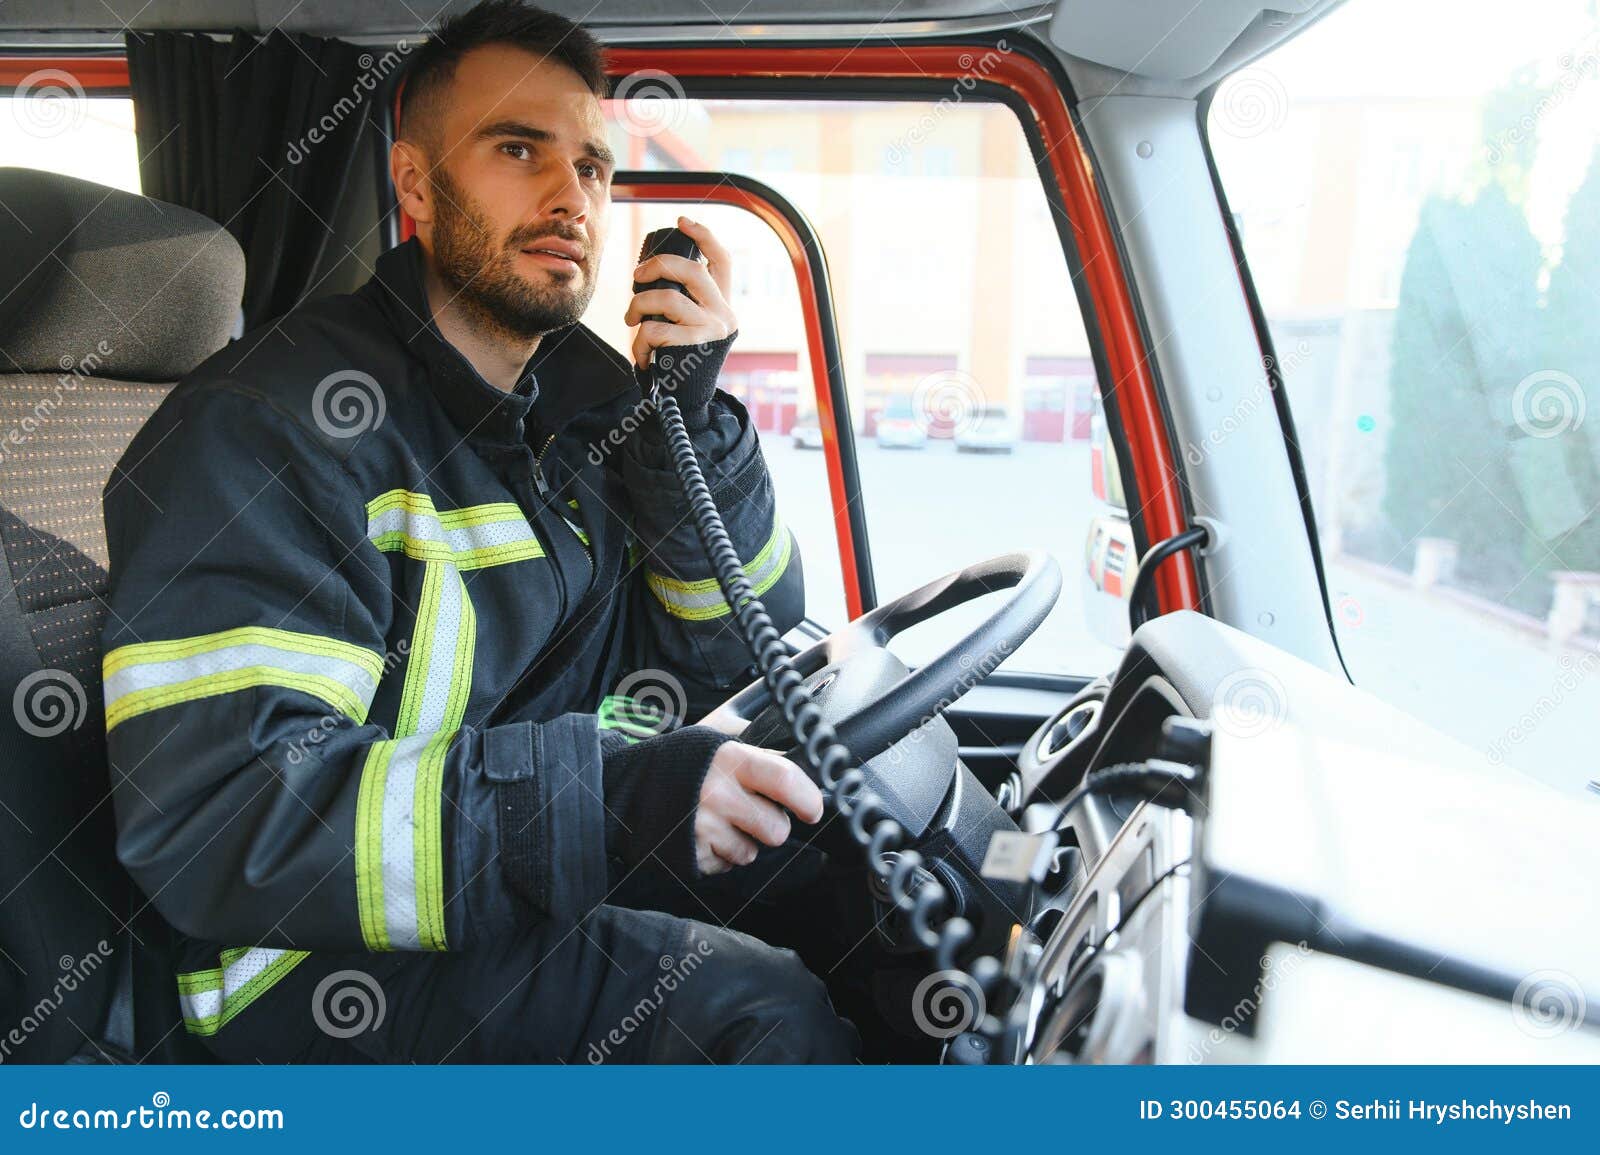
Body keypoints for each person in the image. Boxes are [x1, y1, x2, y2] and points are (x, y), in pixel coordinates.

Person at [101, 0, 858, 1063]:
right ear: (415, 184)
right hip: (298, 969)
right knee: (750, 1011)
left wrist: (687, 429)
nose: (570, 198)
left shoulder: (584, 408)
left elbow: (728, 651)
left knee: (836, 884)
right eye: (518, 150)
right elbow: (231, 814)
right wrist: (604, 805)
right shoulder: (272, 426)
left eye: (593, 167)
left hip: (491, 886)